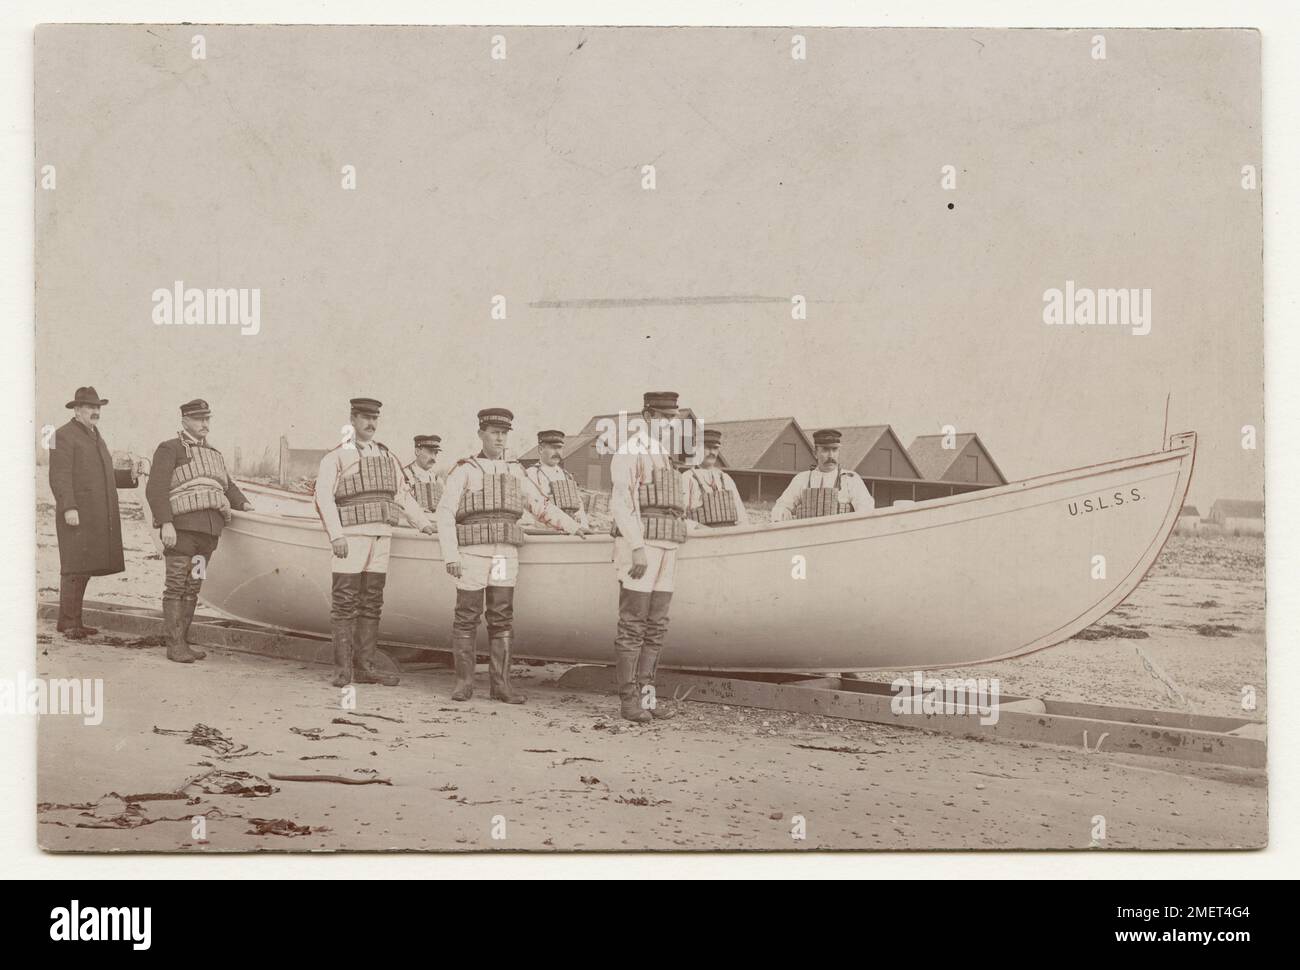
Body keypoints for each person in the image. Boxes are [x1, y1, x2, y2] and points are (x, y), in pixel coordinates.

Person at [435, 408, 586, 704]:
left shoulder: (516, 471)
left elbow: (539, 505)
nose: (500, 438)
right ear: (481, 434)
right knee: (466, 616)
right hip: (473, 553)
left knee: (501, 617)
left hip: (505, 554)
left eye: (504, 433)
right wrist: (450, 555)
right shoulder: (465, 470)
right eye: (494, 432)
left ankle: (500, 686)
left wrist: (573, 526)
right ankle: (464, 683)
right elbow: (445, 513)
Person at [314, 397, 435, 688]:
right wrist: (336, 535)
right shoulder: (336, 457)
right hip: (352, 537)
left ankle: (366, 667)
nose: (370, 423)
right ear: (353, 420)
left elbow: (402, 495)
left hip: (382, 535)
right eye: (365, 417)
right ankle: (343, 671)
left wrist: (424, 523)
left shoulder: (387, 456)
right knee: (345, 603)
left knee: (371, 603)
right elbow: (323, 499)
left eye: (374, 418)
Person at [145, 399, 253, 663]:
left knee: (193, 587)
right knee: (176, 586)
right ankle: (175, 645)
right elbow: (155, 489)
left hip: (207, 536)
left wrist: (245, 504)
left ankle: (183, 641)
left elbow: (227, 486)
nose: (204, 424)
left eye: (207, 419)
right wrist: (165, 523)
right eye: (198, 419)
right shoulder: (169, 449)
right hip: (181, 532)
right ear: (184, 420)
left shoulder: (215, 454)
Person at [609, 391, 689, 723]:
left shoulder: (666, 458)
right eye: (661, 417)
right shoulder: (629, 453)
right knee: (633, 626)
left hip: (668, 546)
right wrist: (637, 547)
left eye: (672, 419)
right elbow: (621, 503)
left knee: (656, 627)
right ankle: (629, 702)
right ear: (646, 415)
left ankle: (648, 699)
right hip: (641, 547)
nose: (668, 424)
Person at [48, 386, 125, 639]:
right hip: (77, 512)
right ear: (77, 409)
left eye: (98, 407)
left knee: (84, 567)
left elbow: (101, 473)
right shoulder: (62, 435)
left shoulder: (95, 436)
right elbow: (59, 477)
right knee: (73, 567)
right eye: (90, 407)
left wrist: (130, 477)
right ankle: (69, 623)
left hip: (95, 515)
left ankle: (72, 621)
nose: (95, 411)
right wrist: (69, 507)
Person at [769, 428, 874, 522]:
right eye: (825, 450)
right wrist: (780, 516)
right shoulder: (802, 479)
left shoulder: (851, 479)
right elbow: (782, 506)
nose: (831, 455)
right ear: (815, 453)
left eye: (834, 450)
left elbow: (865, 511)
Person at [681, 427, 749, 527]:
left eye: (715, 448)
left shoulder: (725, 479)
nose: (712, 452)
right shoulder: (687, 478)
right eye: (708, 447)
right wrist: (698, 527)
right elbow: (681, 517)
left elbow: (741, 516)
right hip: (701, 537)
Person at [524, 429, 590, 530]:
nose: (557, 452)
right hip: (544, 532)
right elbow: (538, 506)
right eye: (553, 448)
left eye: (560, 448)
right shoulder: (531, 474)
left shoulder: (567, 476)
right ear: (541, 449)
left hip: (571, 531)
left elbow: (579, 507)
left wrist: (583, 527)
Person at [403, 434, 444, 513]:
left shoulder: (437, 480)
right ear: (417, 452)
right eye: (430, 452)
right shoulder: (404, 475)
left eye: (435, 453)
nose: (433, 458)